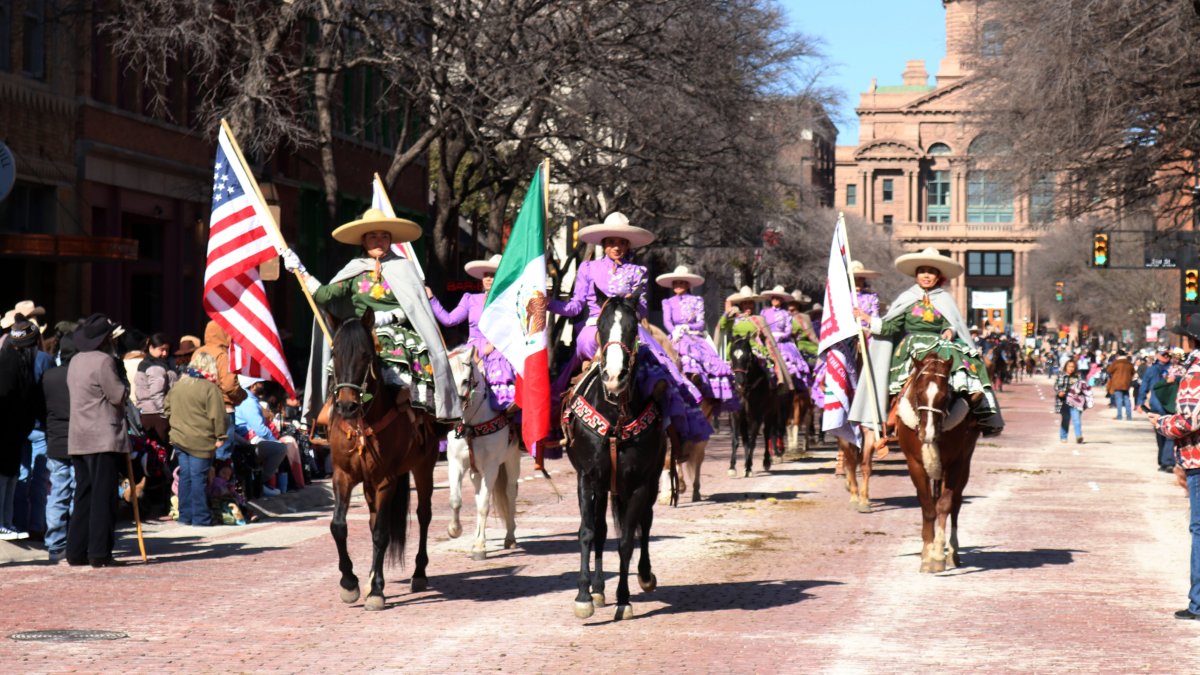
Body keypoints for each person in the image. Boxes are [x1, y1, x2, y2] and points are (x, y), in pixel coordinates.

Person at [547, 212, 712, 445]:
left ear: (627, 245)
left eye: (622, 242)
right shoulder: (588, 268)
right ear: (604, 244)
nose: (617, 247)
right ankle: (562, 418)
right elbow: (575, 307)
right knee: (579, 358)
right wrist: (548, 304)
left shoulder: (637, 272)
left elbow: (642, 309)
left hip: (627, 326)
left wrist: (631, 305)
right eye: (612, 242)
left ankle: (668, 428)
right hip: (595, 326)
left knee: (661, 365)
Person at [284, 208, 458, 422]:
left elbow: (415, 306)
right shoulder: (354, 269)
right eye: (373, 236)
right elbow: (324, 296)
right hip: (362, 330)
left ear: (391, 240)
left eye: (384, 236)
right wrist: (301, 271)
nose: (379, 241)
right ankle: (335, 401)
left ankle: (407, 401)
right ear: (363, 240)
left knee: (395, 345)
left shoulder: (404, 267)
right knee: (344, 356)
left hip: (396, 329)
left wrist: (392, 316)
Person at [850, 247, 1003, 441]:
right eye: (922, 271)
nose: (926, 276)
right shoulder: (907, 298)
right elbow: (891, 326)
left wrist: (950, 330)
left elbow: (952, 322)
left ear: (938, 276)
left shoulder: (945, 298)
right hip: (912, 345)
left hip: (940, 343)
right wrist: (868, 319)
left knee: (970, 361)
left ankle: (978, 407)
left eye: (931, 272)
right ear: (916, 275)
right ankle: (887, 416)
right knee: (891, 379)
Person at [1146, 315, 1200, 620]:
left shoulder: (1195, 373)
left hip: (1197, 460)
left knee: (1199, 530)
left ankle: (1198, 603)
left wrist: (1162, 422)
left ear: (1191, 340)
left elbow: (1188, 421)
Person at [65, 314, 128, 567]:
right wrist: (123, 379)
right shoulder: (104, 361)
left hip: (79, 435)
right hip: (101, 436)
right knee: (103, 496)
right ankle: (100, 552)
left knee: (84, 494)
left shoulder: (75, 360)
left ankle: (76, 551)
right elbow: (118, 395)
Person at [427, 254, 517, 412]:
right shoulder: (470, 299)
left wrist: (493, 346)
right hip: (472, 350)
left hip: (498, 351)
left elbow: (514, 329)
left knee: (502, 373)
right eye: (486, 275)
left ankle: (505, 414)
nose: (488, 279)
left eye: (493, 275)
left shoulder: (510, 302)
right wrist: (431, 298)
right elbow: (449, 320)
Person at [656, 265, 735, 410]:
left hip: (693, 336)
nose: (678, 285)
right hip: (675, 336)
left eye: (682, 282)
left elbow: (701, 323)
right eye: (676, 282)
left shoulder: (697, 300)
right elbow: (667, 321)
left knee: (698, 355)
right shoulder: (667, 302)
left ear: (688, 284)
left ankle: (697, 378)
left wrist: (689, 327)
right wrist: (675, 331)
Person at [164, 351, 227, 526]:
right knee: (198, 478)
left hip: (179, 438)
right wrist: (221, 436)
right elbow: (218, 416)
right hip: (201, 440)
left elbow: (167, 408)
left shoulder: (179, 385)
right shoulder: (210, 388)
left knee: (185, 477)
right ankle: (201, 517)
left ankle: (185, 516)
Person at [0, 317, 45, 539]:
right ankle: (3, 522)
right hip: (8, 429)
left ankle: (7, 521)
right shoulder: (9, 364)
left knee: (12, 475)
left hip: (16, 429)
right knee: (6, 476)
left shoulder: (18, 361)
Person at [42, 334, 76, 562]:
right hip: (78, 438)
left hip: (55, 438)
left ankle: (55, 543)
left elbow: (41, 406)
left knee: (57, 492)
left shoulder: (49, 376)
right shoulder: (80, 375)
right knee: (77, 491)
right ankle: (73, 538)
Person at [716, 286, 788, 388]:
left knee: (765, 367)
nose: (748, 306)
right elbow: (722, 326)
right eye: (745, 303)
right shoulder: (734, 319)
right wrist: (727, 312)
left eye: (750, 303)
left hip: (754, 348)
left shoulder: (758, 319)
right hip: (736, 348)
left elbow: (767, 337)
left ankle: (770, 386)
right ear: (741, 305)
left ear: (753, 305)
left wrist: (763, 337)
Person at [233, 377, 291, 497]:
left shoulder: (247, 398)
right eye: (259, 383)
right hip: (247, 439)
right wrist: (275, 441)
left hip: (245, 437)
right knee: (280, 449)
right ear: (252, 385)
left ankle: (262, 483)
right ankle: (259, 482)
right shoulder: (248, 400)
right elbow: (260, 429)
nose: (263, 384)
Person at [760, 285, 812, 390]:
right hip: (768, 341)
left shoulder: (786, 314)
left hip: (782, 343)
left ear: (782, 300)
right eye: (774, 298)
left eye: (778, 298)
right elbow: (761, 327)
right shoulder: (764, 312)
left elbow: (788, 329)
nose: (775, 300)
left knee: (790, 363)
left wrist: (781, 337)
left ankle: (791, 386)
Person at [135, 333, 178, 447]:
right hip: (158, 416)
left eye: (167, 350)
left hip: (146, 414)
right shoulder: (157, 367)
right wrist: (165, 413)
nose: (164, 353)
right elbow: (156, 394)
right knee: (162, 452)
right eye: (161, 349)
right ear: (151, 348)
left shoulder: (144, 364)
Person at [1139, 348, 1176, 472]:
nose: (1166, 356)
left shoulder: (1174, 369)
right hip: (1157, 406)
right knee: (1160, 434)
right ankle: (1162, 461)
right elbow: (1144, 385)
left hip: (1171, 405)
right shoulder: (1151, 370)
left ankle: (1168, 462)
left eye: (1167, 354)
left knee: (1170, 433)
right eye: (1163, 354)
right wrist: (1140, 402)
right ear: (1157, 356)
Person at [1054, 359, 1090, 443]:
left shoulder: (1078, 377)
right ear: (1066, 367)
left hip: (1075, 402)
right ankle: (1063, 436)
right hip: (1064, 402)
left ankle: (1079, 436)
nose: (1071, 368)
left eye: (1073, 367)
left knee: (1076, 419)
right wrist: (1060, 392)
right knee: (1066, 419)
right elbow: (1056, 386)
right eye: (1069, 366)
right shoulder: (1061, 376)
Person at [1106, 349, 1135, 421]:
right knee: (1127, 399)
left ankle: (1119, 415)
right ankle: (1129, 416)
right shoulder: (1129, 363)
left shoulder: (1116, 363)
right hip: (1126, 384)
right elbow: (1133, 372)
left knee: (1119, 399)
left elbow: (1109, 370)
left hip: (1117, 383)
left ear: (1118, 355)